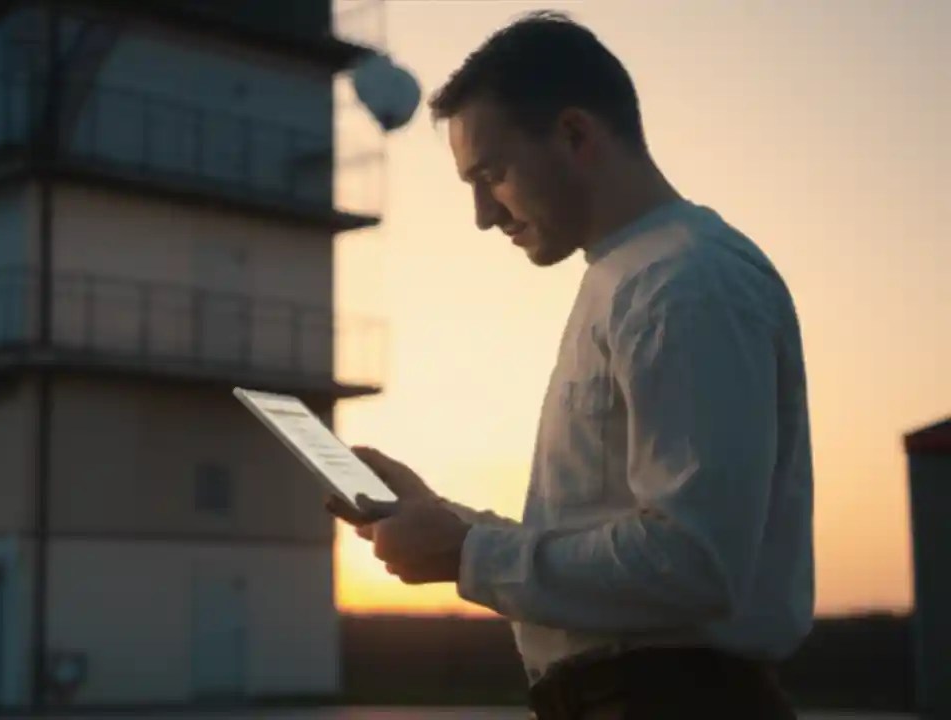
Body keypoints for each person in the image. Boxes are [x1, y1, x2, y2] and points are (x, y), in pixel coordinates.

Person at [326, 10, 814, 720]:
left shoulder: (683, 283)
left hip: (668, 703)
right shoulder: (634, 277)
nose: (483, 215)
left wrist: (467, 553)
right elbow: (617, 539)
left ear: (576, 135)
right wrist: (447, 523)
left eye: (492, 174)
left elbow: (694, 563)